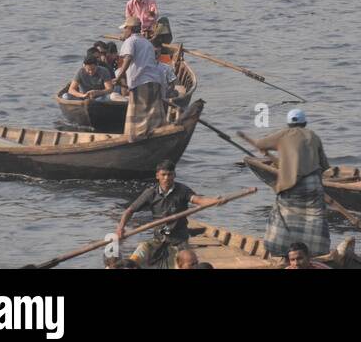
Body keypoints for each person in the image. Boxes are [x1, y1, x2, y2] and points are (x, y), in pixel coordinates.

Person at [240, 109, 332, 259]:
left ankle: (280, 250)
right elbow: (324, 165)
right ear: (305, 122)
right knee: (315, 217)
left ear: (289, 124)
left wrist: (265, 148)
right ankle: (318, 251)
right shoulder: (313, 136)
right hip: (312, 184)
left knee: (282, 215)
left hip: (291, 184)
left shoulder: (282, 135)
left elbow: (260, 143)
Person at [116, 160, 221, 269]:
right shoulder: (151, 193)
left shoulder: (182, 190)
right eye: (163, 175)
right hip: (159, 239)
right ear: (157, 176)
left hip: (179, 240)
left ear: (174, 175)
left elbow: (198, 200)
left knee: (187, 261)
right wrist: (120, 227)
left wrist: (214, 201)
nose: (166, 178)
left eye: (169, 174)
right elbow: (129, 211)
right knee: (138, 254)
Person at [116, 15, 167, 142]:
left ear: (130, 29)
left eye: (125, 29)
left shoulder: (130, 41)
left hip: (140, 82)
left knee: (136, 117)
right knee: (152, 115)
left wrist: (120, 76)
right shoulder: (146, 42)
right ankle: (156, 137)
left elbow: (127, 58)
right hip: (154, 81)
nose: (123, 32)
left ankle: (134, 140)